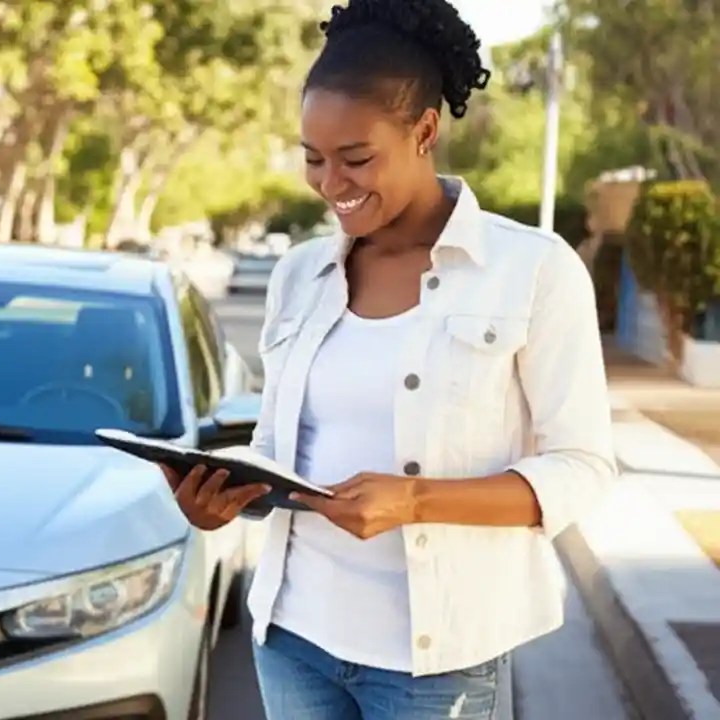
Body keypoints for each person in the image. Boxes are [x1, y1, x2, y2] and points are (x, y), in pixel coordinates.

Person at [159, 1, 618, 718]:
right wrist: (223, 501)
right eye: (313, 158)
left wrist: (412, 501)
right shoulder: (299, 275)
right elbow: (283, 450)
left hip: (435, 664)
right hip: (293, 637)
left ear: (426, 131)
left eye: (356, 158)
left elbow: (581, 469)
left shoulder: (532, 270)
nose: (330, 183)